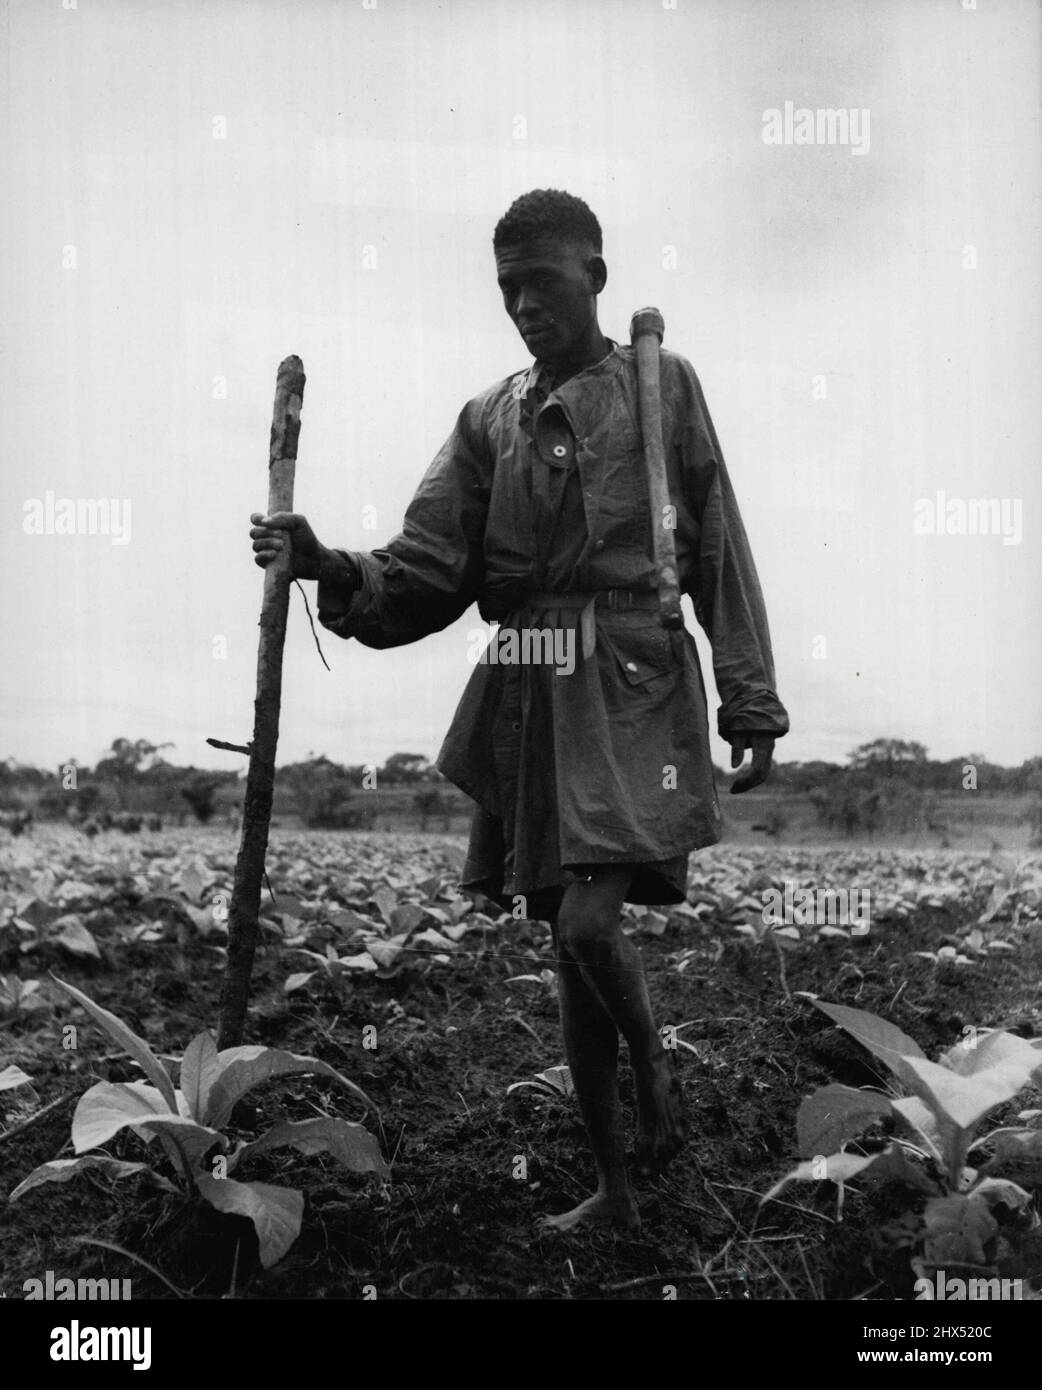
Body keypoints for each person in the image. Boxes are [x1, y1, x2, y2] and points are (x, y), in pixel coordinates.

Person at [250, 189, 789, 1232]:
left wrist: (750, 695)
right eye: (507, 292)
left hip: (633, 676)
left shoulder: (660, 384)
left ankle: (652, 1068)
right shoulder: (487, 415)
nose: (524, 308)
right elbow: (426, 566)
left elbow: (718, 536)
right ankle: (618, 1185)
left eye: (540, 286)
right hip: (531, 681)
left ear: (593, 274)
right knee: (565, 942)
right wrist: (327, 562)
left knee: (591, 922)